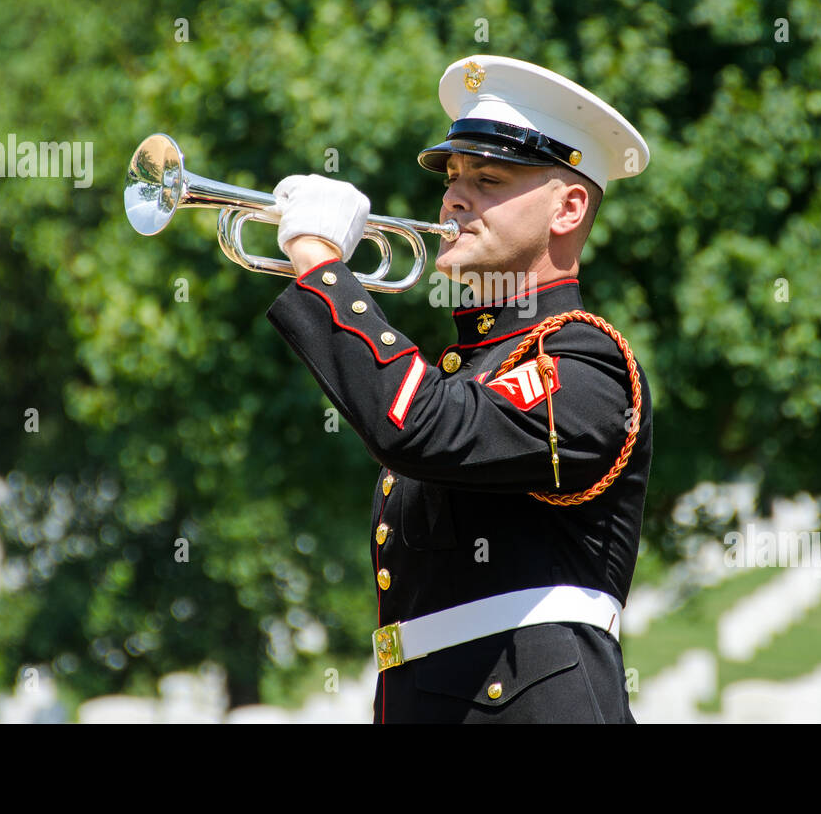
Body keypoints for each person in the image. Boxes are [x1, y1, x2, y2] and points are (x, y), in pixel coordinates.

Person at [265, 55, 653, 723]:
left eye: (490, 178)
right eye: (452, 178)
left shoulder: (588, 362)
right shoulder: (473, 367)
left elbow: (417, 426)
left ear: (569, 206)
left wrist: (324, 268)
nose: (454, 198)